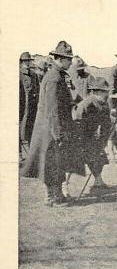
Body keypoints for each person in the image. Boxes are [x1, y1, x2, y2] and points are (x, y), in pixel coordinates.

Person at [21, 41, 76, 206]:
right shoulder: (53, 78)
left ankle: (52, 196)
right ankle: (54, 197)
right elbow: (52, 110)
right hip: (50, 129)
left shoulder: (57, 75)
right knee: (52, 164)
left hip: (50, 127)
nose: (70, 62)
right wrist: (57, 133)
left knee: (52, 163)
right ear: (59, 59)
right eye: (68, 59)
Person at [73, 75, 114, 193]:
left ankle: (98, 182)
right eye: (104, 92)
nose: (106, 95)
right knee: (74, 162)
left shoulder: (104, 105)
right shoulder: (86, 104)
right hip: (80, 136)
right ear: (96, 92)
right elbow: (77, 122)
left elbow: (106, 125)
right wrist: (79, 140)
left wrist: (103, 141)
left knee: (99, 157)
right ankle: (64, 186)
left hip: (92, 137)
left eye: (107, 92)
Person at [19, 52, 39, 165]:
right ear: (21, 62)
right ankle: (20, 154)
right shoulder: (19, 75)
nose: (27, 63)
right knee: (20, 131)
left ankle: (32, 156)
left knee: (31, 130)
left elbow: (37, 90)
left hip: (33, 107)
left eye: (28, 60)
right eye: (25, 61)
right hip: (22, 108)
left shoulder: (34, 74)